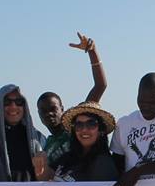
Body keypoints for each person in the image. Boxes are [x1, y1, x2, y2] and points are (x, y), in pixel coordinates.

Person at [36, 32, 109, 171]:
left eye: (53, 109)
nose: (49, 114)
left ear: (62, 109)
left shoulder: (79, 125)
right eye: (44, 111)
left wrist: (92, 51)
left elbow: (100, 85)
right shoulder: (48, 145)